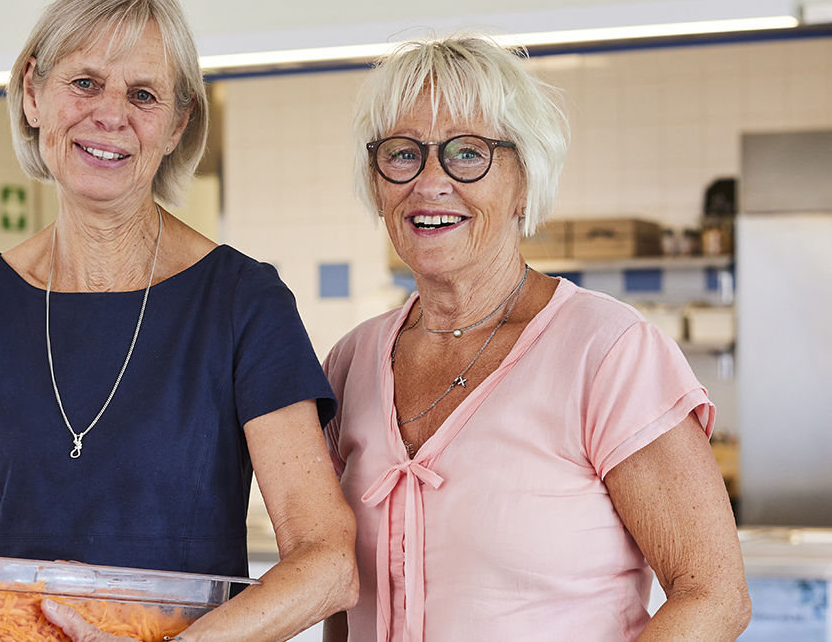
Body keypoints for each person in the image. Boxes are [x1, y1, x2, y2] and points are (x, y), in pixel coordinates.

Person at [0, 0, 357, 641]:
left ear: (176, 124)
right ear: (32, 91)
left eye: (142, 95)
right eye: (84, 82)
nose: (109, 114)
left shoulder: (243, 303)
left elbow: (327, 562)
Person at [321, 35, 751, 642]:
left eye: (468, 153)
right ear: (377, 182)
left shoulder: (607, 351)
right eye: (401, 154)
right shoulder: (351, 361)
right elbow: (342, 598)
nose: (430, 181)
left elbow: (713, 596)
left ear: (525, 180)